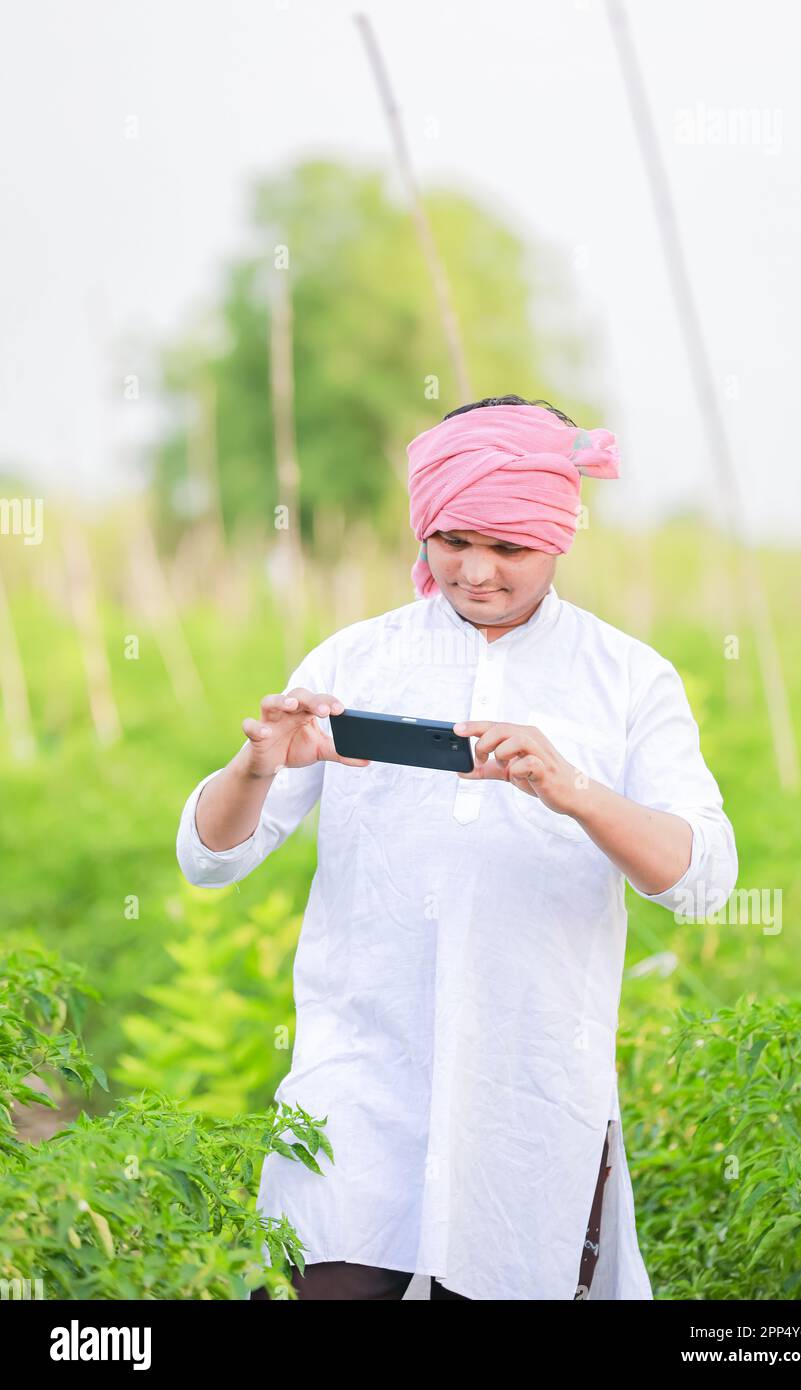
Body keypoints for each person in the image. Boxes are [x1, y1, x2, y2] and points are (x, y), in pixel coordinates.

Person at [176, 395, 738, 1301]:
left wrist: (574, 792)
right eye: (451, 539)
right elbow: (210, 857)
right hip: (360, 1078)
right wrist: (256, 764)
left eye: (508, 547)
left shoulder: (627, 678)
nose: (475, 571)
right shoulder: (354, 660)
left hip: (530, 1092)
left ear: (559, 534)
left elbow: (704, 879)